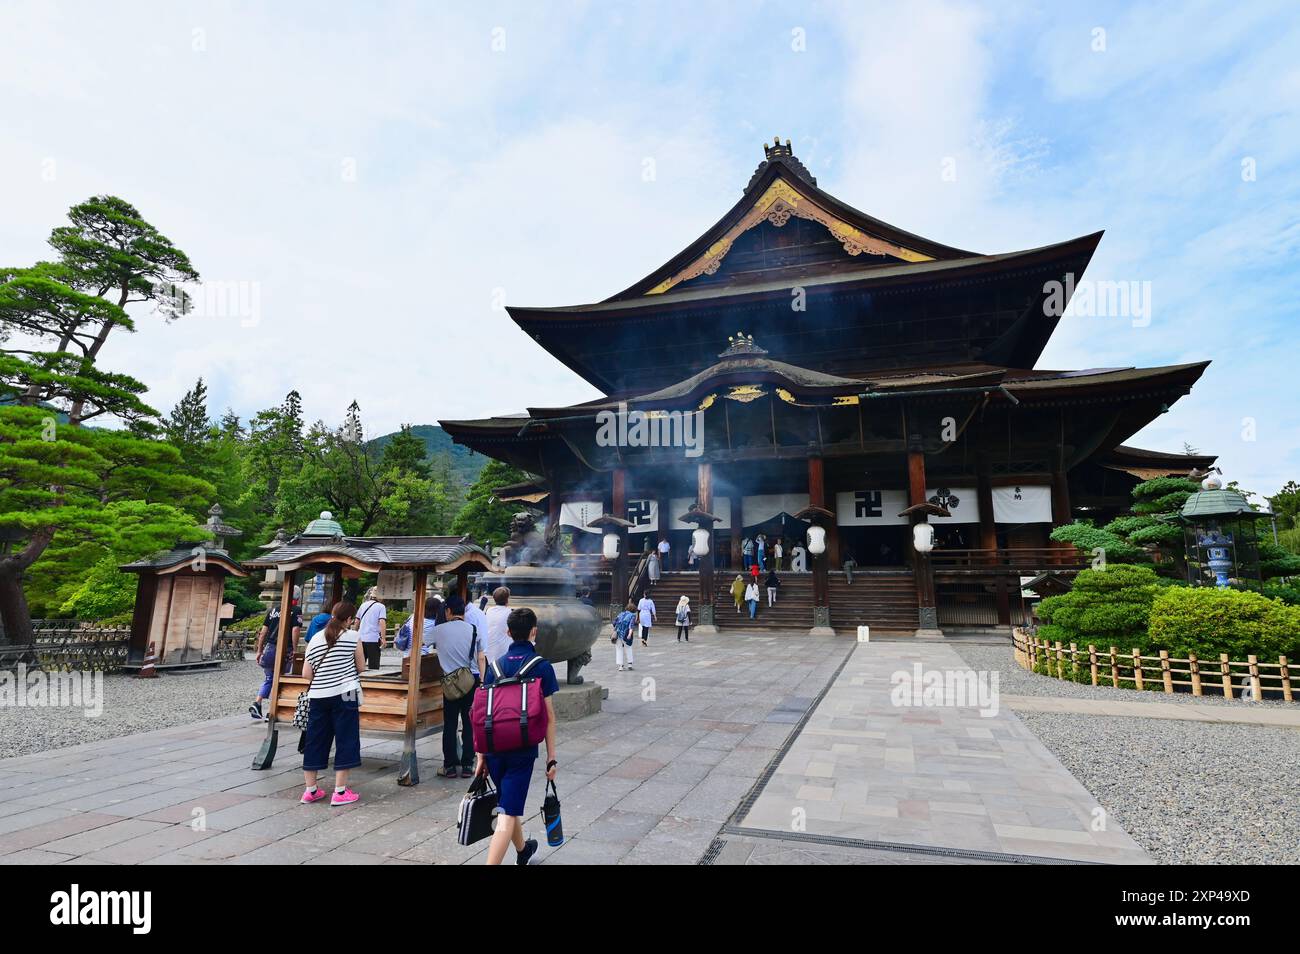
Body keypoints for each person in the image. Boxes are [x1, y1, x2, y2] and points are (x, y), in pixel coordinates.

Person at [476, 607, 558, 866]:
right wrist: (551, 758)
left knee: (508, 802)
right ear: (534, 631)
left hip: (494, 747)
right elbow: (549, 718)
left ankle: (523, 850)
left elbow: (482, 712)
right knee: (508, 812)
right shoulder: (542, 667)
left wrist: (480, 754)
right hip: (522, 749)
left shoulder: (495, 667)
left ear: (508, 633)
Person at [300, 601, 365, 806]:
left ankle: (310, 790)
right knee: (346, 738)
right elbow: (361, 667)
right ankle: (340, 791)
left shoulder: (316, 639)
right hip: (346, 693)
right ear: (348, 619)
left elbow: (306, 674)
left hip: (318, 695)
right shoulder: (353, 637)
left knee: (315, 740)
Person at [431, 594, 480, 779]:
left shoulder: (439, 630)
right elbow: (481, 656)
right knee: (469, 723)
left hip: (450, 682)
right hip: (471, 680)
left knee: (450, 724)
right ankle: (468, 764)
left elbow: (417, 642)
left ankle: (449, 766)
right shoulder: (474, 630)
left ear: (448, 611)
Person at [249, 598, 301, 721]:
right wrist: (294, 648)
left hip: (269, 647)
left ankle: (257, 703)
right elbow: (295, 629)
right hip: (285, 648)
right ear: (297, 598)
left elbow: (263, 632)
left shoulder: (274, 610)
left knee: (269, 678)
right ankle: (273, 711)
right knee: (280, 679)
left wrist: (259, 650)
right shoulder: (295, 610)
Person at [355, 587, 387, 670]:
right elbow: (382, 622)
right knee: (373, 667)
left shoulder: (363, 605)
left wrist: (355, 634)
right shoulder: (381, 606)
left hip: (361, 639)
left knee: (359, 666)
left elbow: (357, 621)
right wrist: (383, 638)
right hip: (373, 639)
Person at [482, 586, 512, 670]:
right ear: (507, 599)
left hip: (488, 651)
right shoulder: (510, 613)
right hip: (504, 651)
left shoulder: (488, 610)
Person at [612, 600, 637, 671]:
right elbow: (631, 626)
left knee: (619, 649)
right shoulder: (632, 616)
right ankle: (629, 664)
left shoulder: (620, 614)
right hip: (626, 634)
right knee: (628, 648)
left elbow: (614, 623)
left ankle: (620, 666)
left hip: (618, 633)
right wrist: (629, 634)